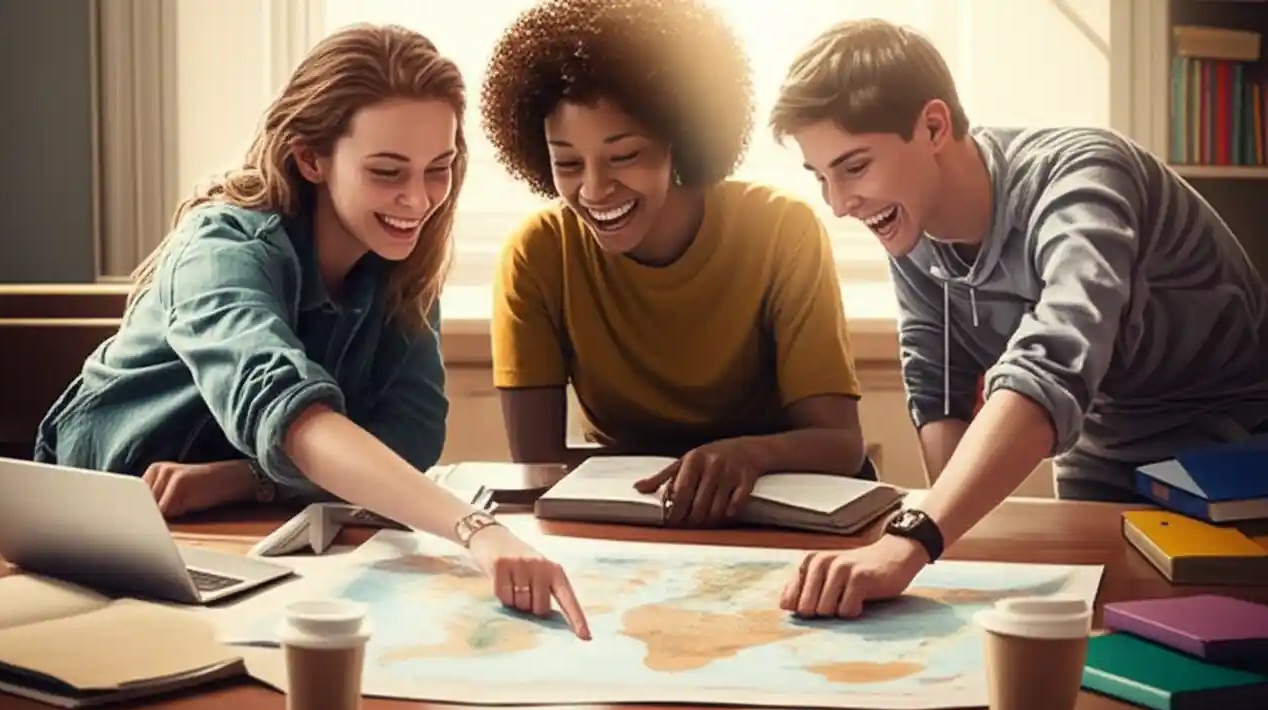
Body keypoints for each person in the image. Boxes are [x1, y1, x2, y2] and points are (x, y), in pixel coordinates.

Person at [34, 24, 589, 638]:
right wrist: (476, 528)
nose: (418, 199)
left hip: (250, 541)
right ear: (311, 158)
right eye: (387, 172)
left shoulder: (400, 264)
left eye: (440, 167)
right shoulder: (220, 249)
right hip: (106, 534)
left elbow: (410, 436)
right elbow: (287, 413)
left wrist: (248, 479)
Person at [770, 19, 1268, 618]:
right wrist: (942, 544)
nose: (839, 204)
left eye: (853, 168)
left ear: (933, 126)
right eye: (821, 177)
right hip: (1103, 461)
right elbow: (938, 391)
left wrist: (909, 539)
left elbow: (1054, 362)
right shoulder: (910, 228)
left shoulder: (1083, 176)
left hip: (1235, 462)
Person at [479, 0, 871, 529]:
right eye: (567, 162)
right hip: (632, 518)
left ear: (679, 139)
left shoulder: (782, 231)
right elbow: (535, 469)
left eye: (623, 156)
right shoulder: (539, 254)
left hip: (780, 514)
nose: (593, 189)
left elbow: (841, 446)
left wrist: (748, 456)